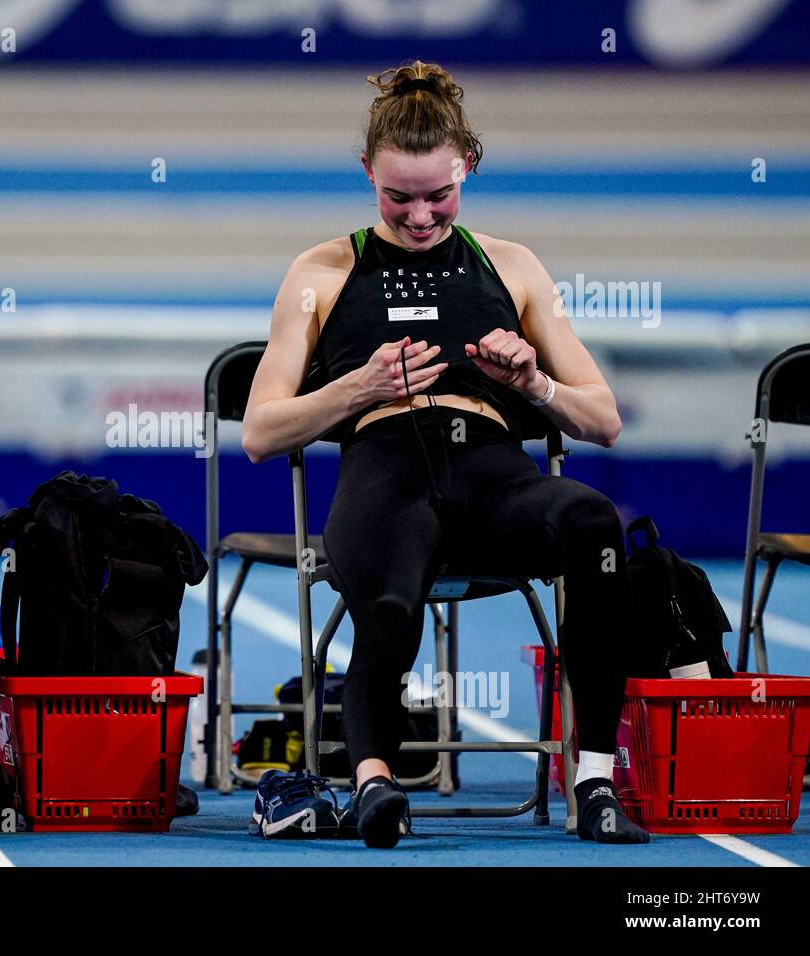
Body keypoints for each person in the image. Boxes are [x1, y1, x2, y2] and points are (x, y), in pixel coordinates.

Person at [240, 61, 650, 849]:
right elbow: (261, 432)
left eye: (440, 195)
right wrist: (357, 388)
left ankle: (594, 780)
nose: (422, 216)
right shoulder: (321, 272)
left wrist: (533, 382)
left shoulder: (513, 264)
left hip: (493, 476)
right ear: (367, 174)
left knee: (595, 522)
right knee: (390, 613)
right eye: (399, 197)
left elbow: (603, 421)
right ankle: (376, 786)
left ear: (468, 168)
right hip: (386, 471)